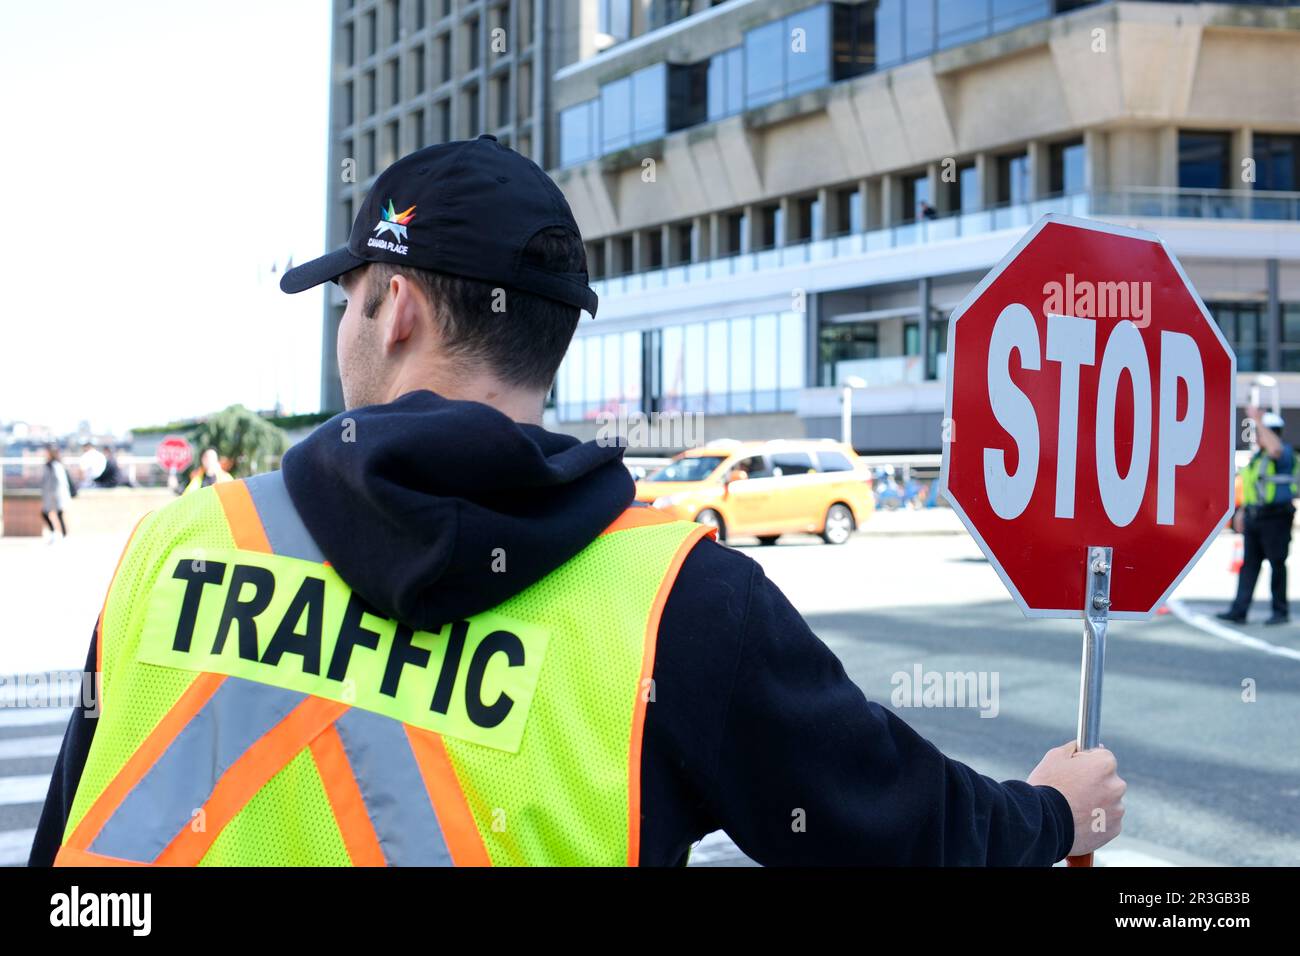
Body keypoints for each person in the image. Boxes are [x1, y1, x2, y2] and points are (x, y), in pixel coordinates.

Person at [29, 137, 1123, 868]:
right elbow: (894, 824)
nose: (344, 329)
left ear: (396, 306)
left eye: (349, 300)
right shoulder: (679, 602)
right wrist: (1051, 811)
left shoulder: (175, 543)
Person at [1218, 408, 1296, 626]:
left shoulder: (1284, 453)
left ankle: (1280, 612)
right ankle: (1239, 611)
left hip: (1276, 518)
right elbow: (1252, 488)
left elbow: (1277, 450)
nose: (1257, 436)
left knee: (1276, 564)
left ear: (1272, 432)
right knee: (1249, 565)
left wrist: (1258, 420)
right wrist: (1243, 512)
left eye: (1261, 432)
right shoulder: (1257, 458)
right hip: (1255, 517)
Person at [40, 445, 72, 543]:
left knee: (59, 514)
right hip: (50, 495)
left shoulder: (56, 465)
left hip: (56, 495)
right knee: (47, 513)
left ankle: (63, 536)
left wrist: (55, 495)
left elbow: (60, 482)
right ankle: (55, 533)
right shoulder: (48, 465)